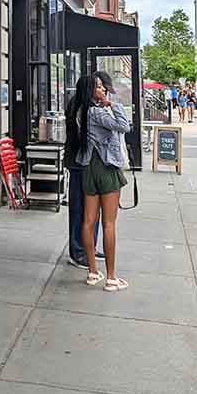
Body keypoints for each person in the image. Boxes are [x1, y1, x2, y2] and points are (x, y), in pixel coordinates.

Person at [75, 74, 131, 291]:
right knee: (109, 223)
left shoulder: (81, 111)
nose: (103, 90)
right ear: (90, 91)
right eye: (98, 87)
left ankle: (92, 272)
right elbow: (124, 126)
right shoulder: (97, 112)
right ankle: (111, 277)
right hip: (105, 168)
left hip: (88, 167)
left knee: (88, 221)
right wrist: (113, 105)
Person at [64, 79, 102, 269]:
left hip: (84, 164)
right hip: (80, 164)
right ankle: (79, 251)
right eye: (98, 86)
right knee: (80, 209)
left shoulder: (86, 106)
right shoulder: (82, 108)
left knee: (91, 210)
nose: (102, 90)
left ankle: (89, 247)